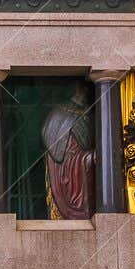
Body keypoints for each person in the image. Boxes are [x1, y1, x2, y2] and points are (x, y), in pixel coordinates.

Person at [42, 83, 95, 221]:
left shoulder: (85, 112)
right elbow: (62, 154)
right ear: (77, 89)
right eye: (84, 91)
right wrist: (89, 158)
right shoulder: (61, 113)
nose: (85, 95)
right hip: (67, 173)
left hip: (78, 170)